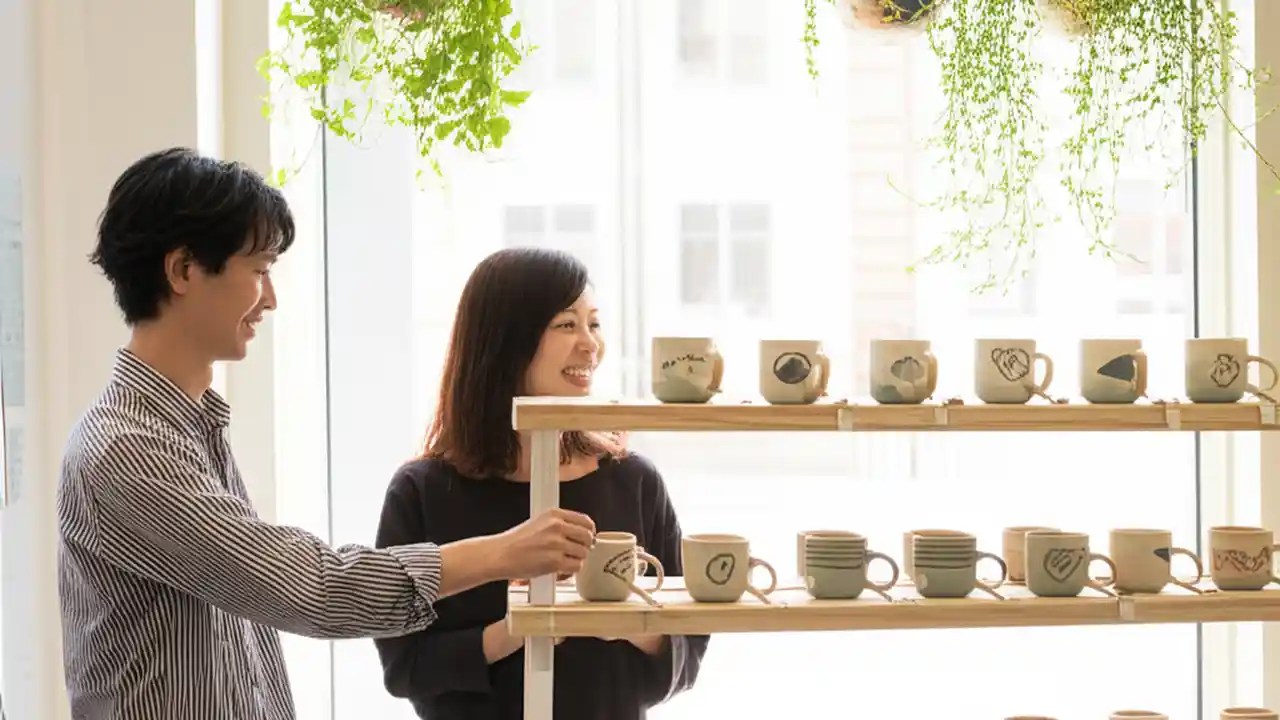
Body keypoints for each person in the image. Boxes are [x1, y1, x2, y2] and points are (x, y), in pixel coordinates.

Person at [56, 148, 597, 720]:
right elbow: (310, 589)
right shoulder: (128, 449)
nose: (270, 298)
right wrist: (502, 552)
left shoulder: (187, 429)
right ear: (183, 270)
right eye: (259, 270)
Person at [373, 247, 709, 720]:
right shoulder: (422, 491)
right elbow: (405, 667)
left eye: (594, 323)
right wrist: (516, 630)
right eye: (567, 325)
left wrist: (627, 623)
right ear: (505, 340)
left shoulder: (634, 480)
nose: (590, 344)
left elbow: (687, 649)